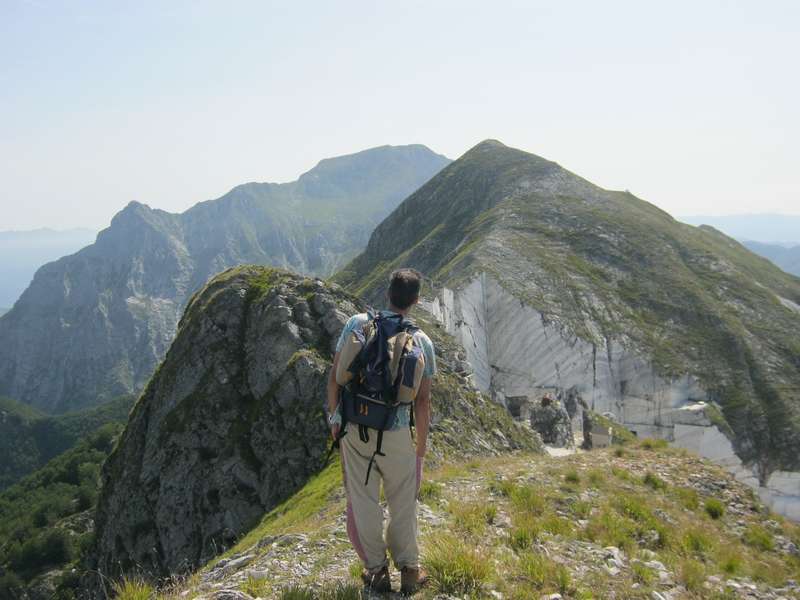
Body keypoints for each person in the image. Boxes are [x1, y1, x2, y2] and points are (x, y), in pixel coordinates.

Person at [326, 268, 436, 595]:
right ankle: (410, 570)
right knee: (403, 502)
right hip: (397, 432)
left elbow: (334, 376)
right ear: (416, 300)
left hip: (355, 427)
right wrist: (420, 449)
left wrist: (334, 417)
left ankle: (376, 571)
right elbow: (423, 402)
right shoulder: (422, 341)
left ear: (387, 293)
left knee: (364, 501)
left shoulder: (357, 324)